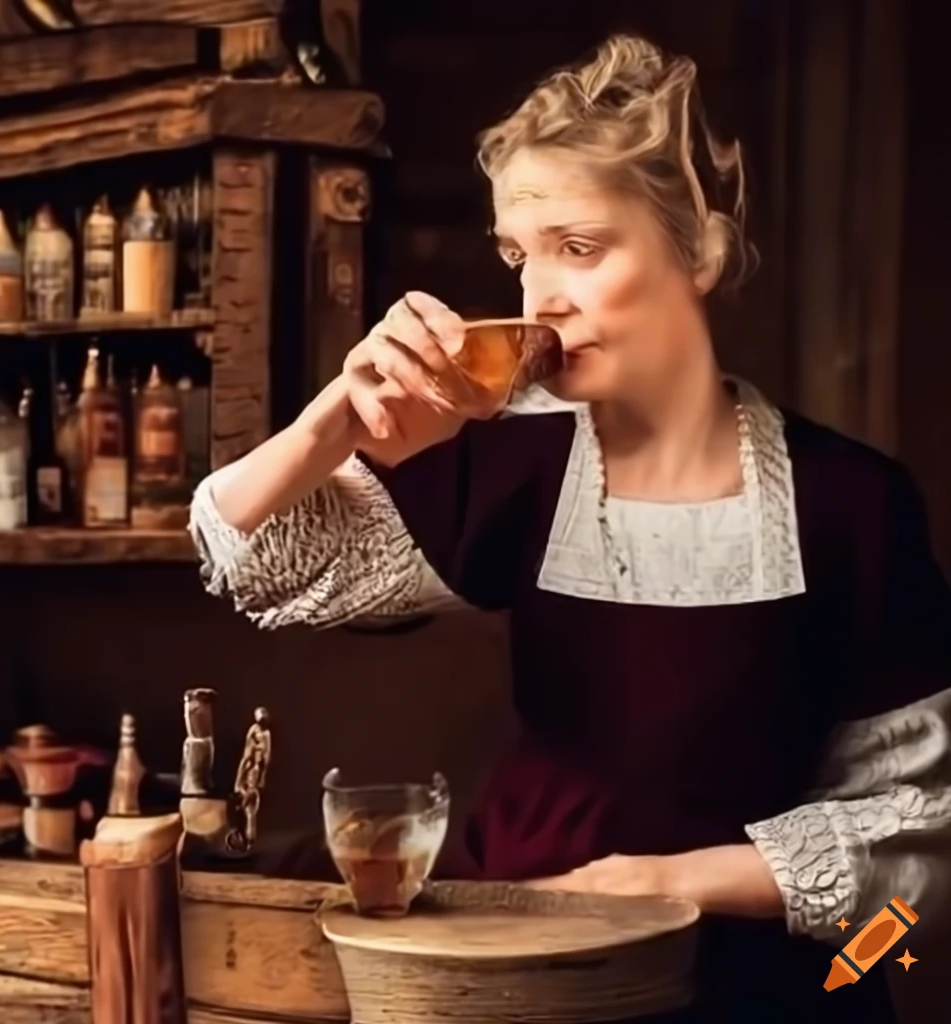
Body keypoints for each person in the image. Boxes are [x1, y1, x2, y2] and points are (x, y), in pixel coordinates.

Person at [190, 33, 951, 1023]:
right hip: (515, 968)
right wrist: (332, 416)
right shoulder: (520, 457)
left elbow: (917, 862)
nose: (536, 298)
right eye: (518, 255)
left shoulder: (853, 503)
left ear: (700, 251)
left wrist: (656, 884)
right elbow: (246, 556)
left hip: (755, 989)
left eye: (578, 249)